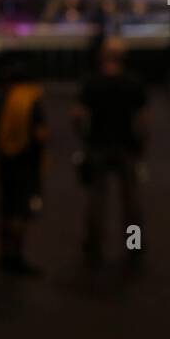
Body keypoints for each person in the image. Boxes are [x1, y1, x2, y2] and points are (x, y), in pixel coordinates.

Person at [71, 38, 148, 265]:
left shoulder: (92, 82)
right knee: (131, 200)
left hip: (97, 145)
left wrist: (84, 137)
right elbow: (143, 121)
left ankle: (94, 247)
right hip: (127, 146)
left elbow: (76, 115)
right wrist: (141, 145)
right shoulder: (134, 82)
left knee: (97, 198)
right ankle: (134, 246)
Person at [0, 62, 47, 275]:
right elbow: (41, 133)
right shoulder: (31, 100)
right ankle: (17, 257)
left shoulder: (0, 100)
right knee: (21, 211)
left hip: (5, 161)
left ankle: (4, 254)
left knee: (6, 208)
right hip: (27, 163)